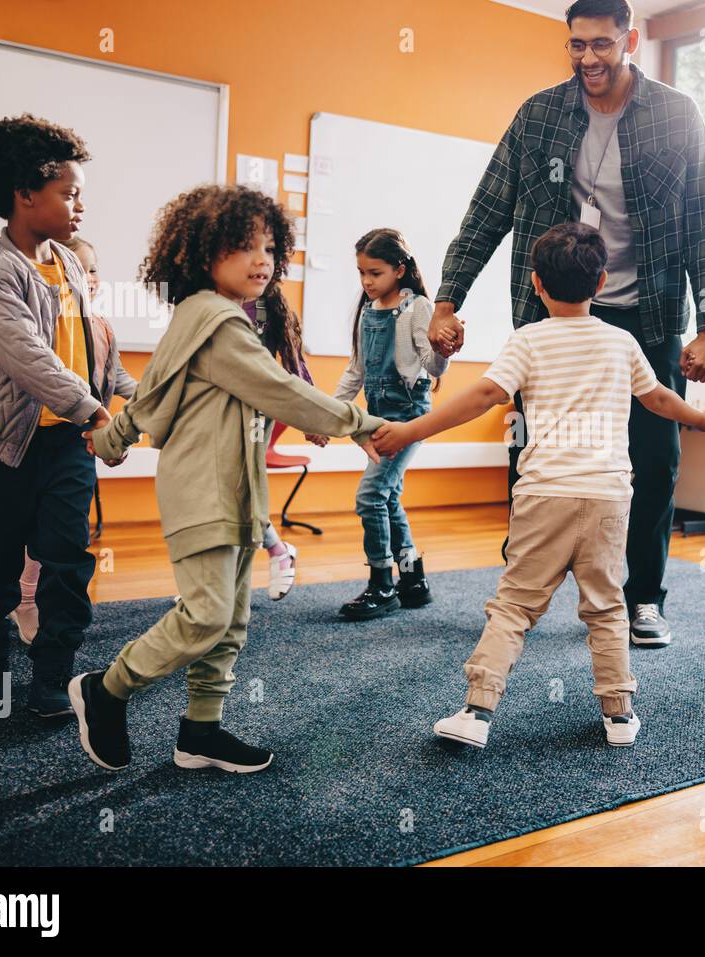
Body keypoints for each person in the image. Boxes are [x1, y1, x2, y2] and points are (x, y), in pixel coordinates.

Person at [427, 0, 705, 649]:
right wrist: (448, 298)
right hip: (554, 312)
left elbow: (703, 220)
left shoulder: (677, 116)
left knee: (654, 458)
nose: (588, 58)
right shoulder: (539, 115)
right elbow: (486, 212)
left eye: (600, 44)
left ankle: (643, 597)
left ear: (631, 39)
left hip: (644, 316)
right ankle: (523, 589)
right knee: (532, 452)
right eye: (576, 46)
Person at [372, 224, 705, 749]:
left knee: (514, 606)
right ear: (602, 281)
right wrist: (702, 418)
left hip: (545, 495)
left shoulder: (528, 339)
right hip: (609, 496)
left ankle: (477, 712)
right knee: (608, 608)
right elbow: (657, 400)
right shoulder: (621, 340)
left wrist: (408, 429)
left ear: (536, 284)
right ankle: (619, 716)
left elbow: (484, 396)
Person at [69, 185, 385, 773]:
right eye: (243, 247)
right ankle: (106, 689)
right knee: (208, 613)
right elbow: (283, 391)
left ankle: (200, 733)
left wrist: (113, 438)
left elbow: (154, 398)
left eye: (268, 246)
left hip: (236, 490)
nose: (261, 259)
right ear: (202, 255)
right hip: (203, 490)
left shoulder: (206, 318)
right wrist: (361, 422)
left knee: (231, 618)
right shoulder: (217, 324)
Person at [0, 114, 123, 718]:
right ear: (24, 196)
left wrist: (125, 399)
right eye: (68, 193)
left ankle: (51, 678)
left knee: (68, 562)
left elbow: (84, 347)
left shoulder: (67, 264)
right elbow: (31, 359)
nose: (79, 206)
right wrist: (98, 415)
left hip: (64, 444)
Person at [10, 235, 138, 644]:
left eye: (94, 269)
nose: (90, 278)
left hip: (77, 440)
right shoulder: (41, 323)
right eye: (79, 271)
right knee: (26, 531)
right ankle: (21, 601)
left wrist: (163, 397)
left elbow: (118, 381)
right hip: (32, 437)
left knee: (63, 535)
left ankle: (37, 605)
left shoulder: (102, 327)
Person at [334, 229, 449, 620]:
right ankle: (413, 579)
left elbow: (432, 366)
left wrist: (444, 351)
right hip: (377, 417)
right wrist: (330, 414)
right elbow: (356, 371)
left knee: (370, 497)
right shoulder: (368, 309)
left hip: (408, 417)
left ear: (400, 270)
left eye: (375, 273)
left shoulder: (417, 308)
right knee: (388, 496)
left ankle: (382, 584)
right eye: (362, 273)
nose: (367, 282)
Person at [241, 291, 324, 601]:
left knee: (241, 493)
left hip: (254, 418)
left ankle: (277, 550)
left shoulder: (265, 308)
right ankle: (210, 585)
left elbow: (295, 368)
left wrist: (312, 421)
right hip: (211, 415)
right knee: (213, 498)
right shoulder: (208, 301)